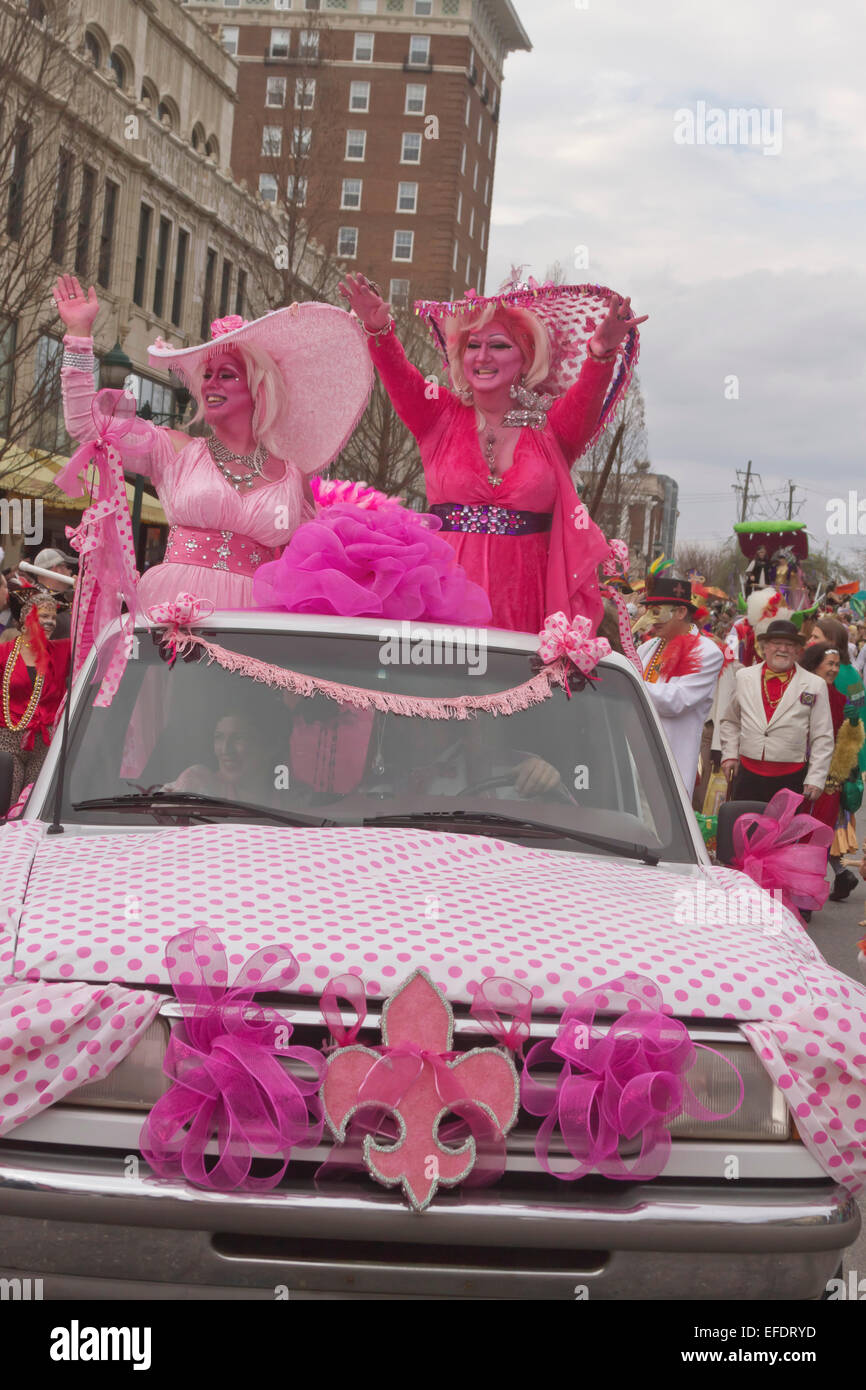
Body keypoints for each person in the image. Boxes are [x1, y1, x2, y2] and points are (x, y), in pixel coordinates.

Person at [338, 271, 645, 634]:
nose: (483, 356)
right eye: (473, 345)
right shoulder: (436, 416)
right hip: (442, 605)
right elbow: (398, 374)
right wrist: (378, 330)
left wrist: (602, 352)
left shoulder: (553, 430)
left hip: (526, 613)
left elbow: (586, 396)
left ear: (525, 356)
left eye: (498, 345)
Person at [53, 273, 373, 614]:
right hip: (175, 610)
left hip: (255, 620)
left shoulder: (292, 478)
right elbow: (86, 426)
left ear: (257, 388)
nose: (210, 384)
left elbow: (314, 562)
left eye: (226, 374)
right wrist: (78, 336)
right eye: (206, 375)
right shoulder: (175, 450)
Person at [720, 619, 834, 804]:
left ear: (798, 651)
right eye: (776, 643)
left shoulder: (815, 685)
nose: (783, 649)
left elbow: (822, 737)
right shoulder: (744, 677)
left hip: (791, 778)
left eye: (790, 645)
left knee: (784, 832)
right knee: (745, 830)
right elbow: (730, 721)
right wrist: (730, 754)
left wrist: (815, 778)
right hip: (747, 776)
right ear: (764, 647)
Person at [635, 574, 724, 794]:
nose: (650, 620)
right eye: (648, 611)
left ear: (681, 612)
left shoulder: (706, 652)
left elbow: (677, 701)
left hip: (670, 764)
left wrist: (630, 684)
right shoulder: (647, 648)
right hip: (636, 758)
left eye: (657, 612)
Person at [799, 642, 863, 900]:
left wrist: (855, 721)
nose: (835, 669)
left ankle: (808, 890)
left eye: (837, 664)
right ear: (815, 662)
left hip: (829, 775)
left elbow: (851, 733)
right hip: (796, 770)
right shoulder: (802, 689)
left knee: (821, 830)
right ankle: (835, 874)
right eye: (830, 664)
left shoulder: (844, 689)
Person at [0, 594, 71, 804]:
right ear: (26, 618)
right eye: (44, 615)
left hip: (43, 743)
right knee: (6, 802)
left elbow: (89, 637)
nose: (50, 621)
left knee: (32, 804)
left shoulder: (60, 651)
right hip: (8, 742)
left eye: (54, 617)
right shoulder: (4, 653)